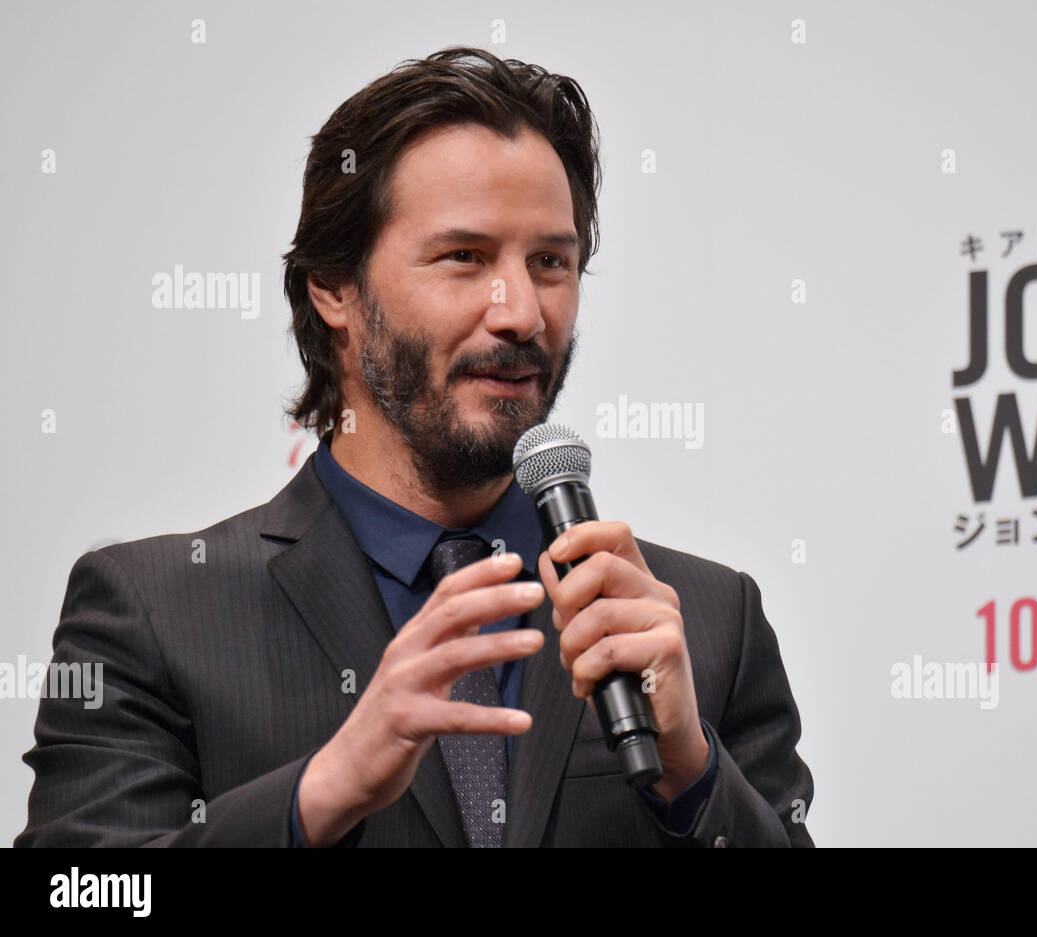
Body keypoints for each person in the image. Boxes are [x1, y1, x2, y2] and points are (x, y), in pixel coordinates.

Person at [15, 47, 813, 848]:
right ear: (334, 285)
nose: (521, 314)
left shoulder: (705, 622)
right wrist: (318, 795)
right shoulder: (155, 612)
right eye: (464, 257)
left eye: (550, 262)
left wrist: (692, 771)